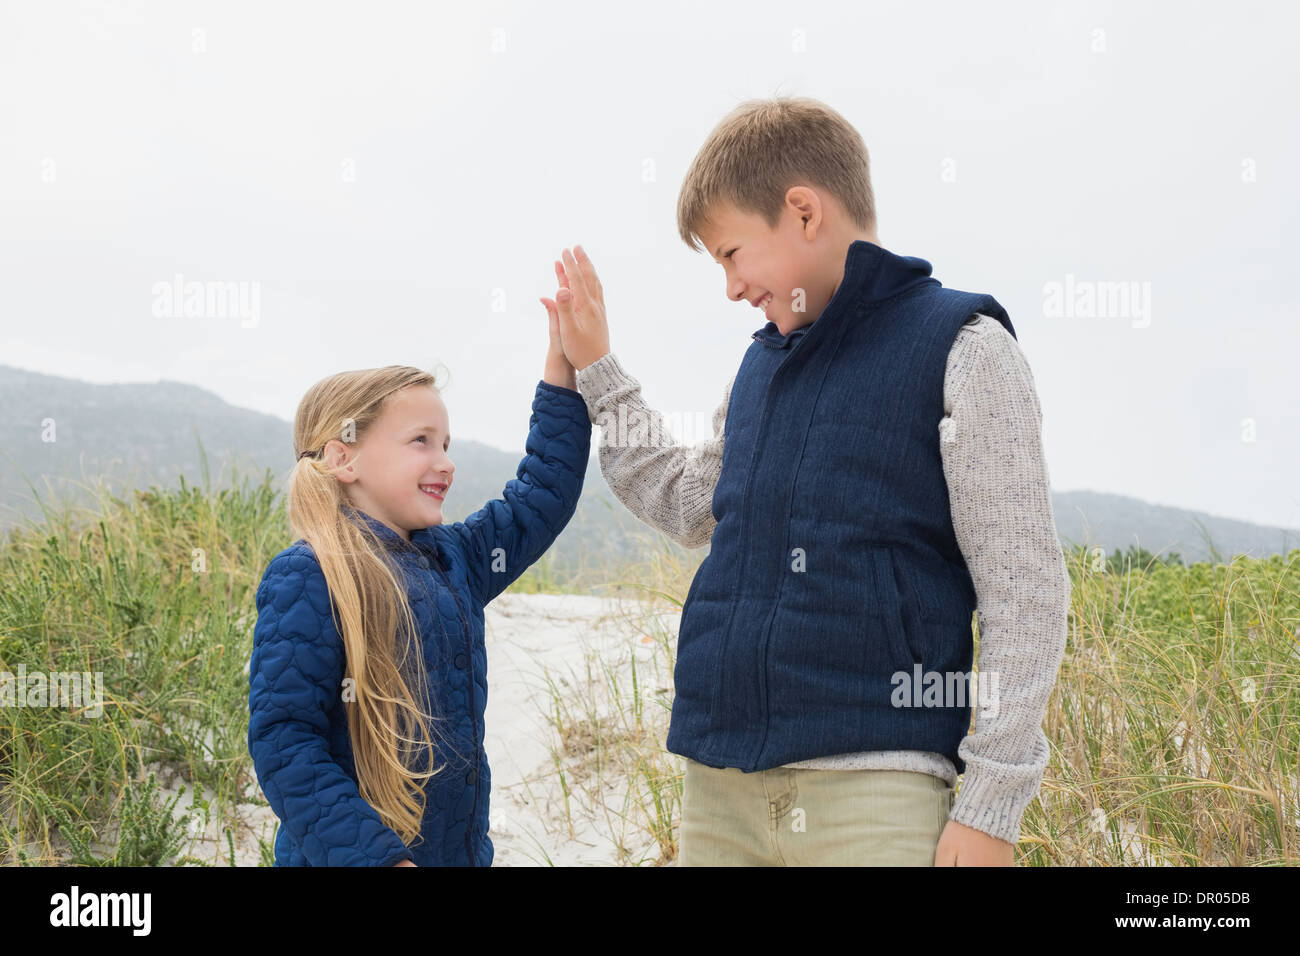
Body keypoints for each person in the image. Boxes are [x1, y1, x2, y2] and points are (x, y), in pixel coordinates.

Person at [540, 95, 1070, 866]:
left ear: (803, 212)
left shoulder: (966, 348)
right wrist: (598, 370)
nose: (729, 287)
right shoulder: (760, 368)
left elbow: (1026, 592)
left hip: (876, 791)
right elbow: (690, 500)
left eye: (730, 254)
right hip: (719, 788)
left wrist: (992, 804)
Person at [247, 307, 590, 866]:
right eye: (421, 441)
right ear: (344, 458)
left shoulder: (458, 557)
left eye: (447, 444)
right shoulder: (309, 575)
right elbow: (286, 743)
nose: (445, 463)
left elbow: (542, 494)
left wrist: (561, 370)